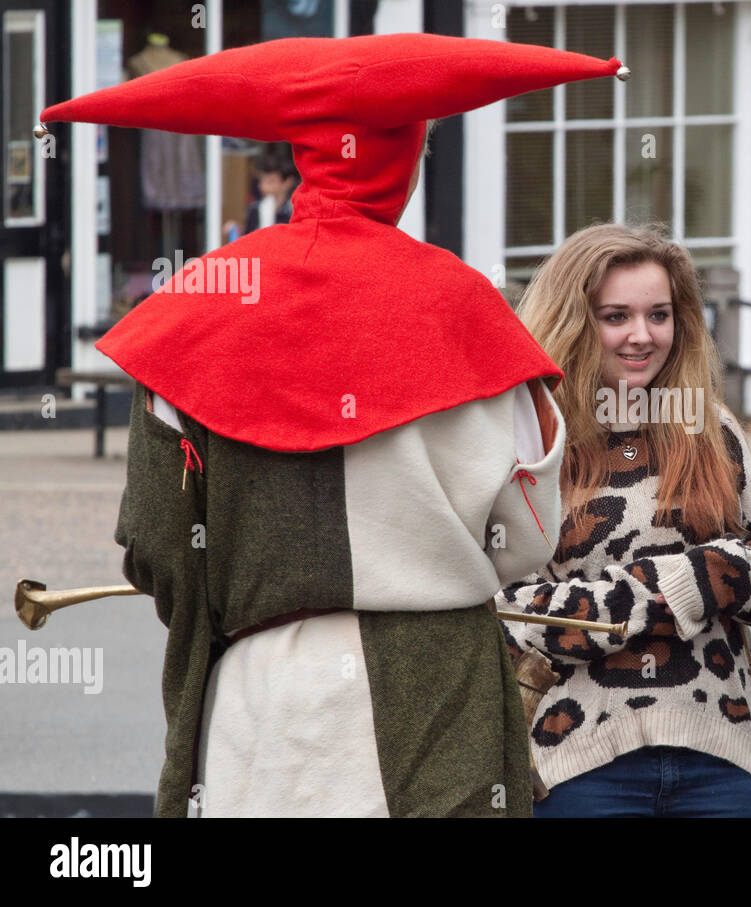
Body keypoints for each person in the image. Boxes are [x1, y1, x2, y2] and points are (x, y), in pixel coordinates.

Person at [37, 33, 628, 818]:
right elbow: (526, 531)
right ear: (410, 163)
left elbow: (156, 542)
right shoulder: (469, 310)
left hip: (263, 705)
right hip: (440, 695)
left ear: (297, 156)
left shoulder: (204, 302)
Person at [494, 223, 751, 818]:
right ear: (575, 320)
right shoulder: (529, 439)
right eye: (616, 317)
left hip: (719, 757)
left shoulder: (711, 429)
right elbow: (502, 610)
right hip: (577, 764)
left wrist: (635, 596)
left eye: (659, 315)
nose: (642, 335)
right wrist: (674, 591)